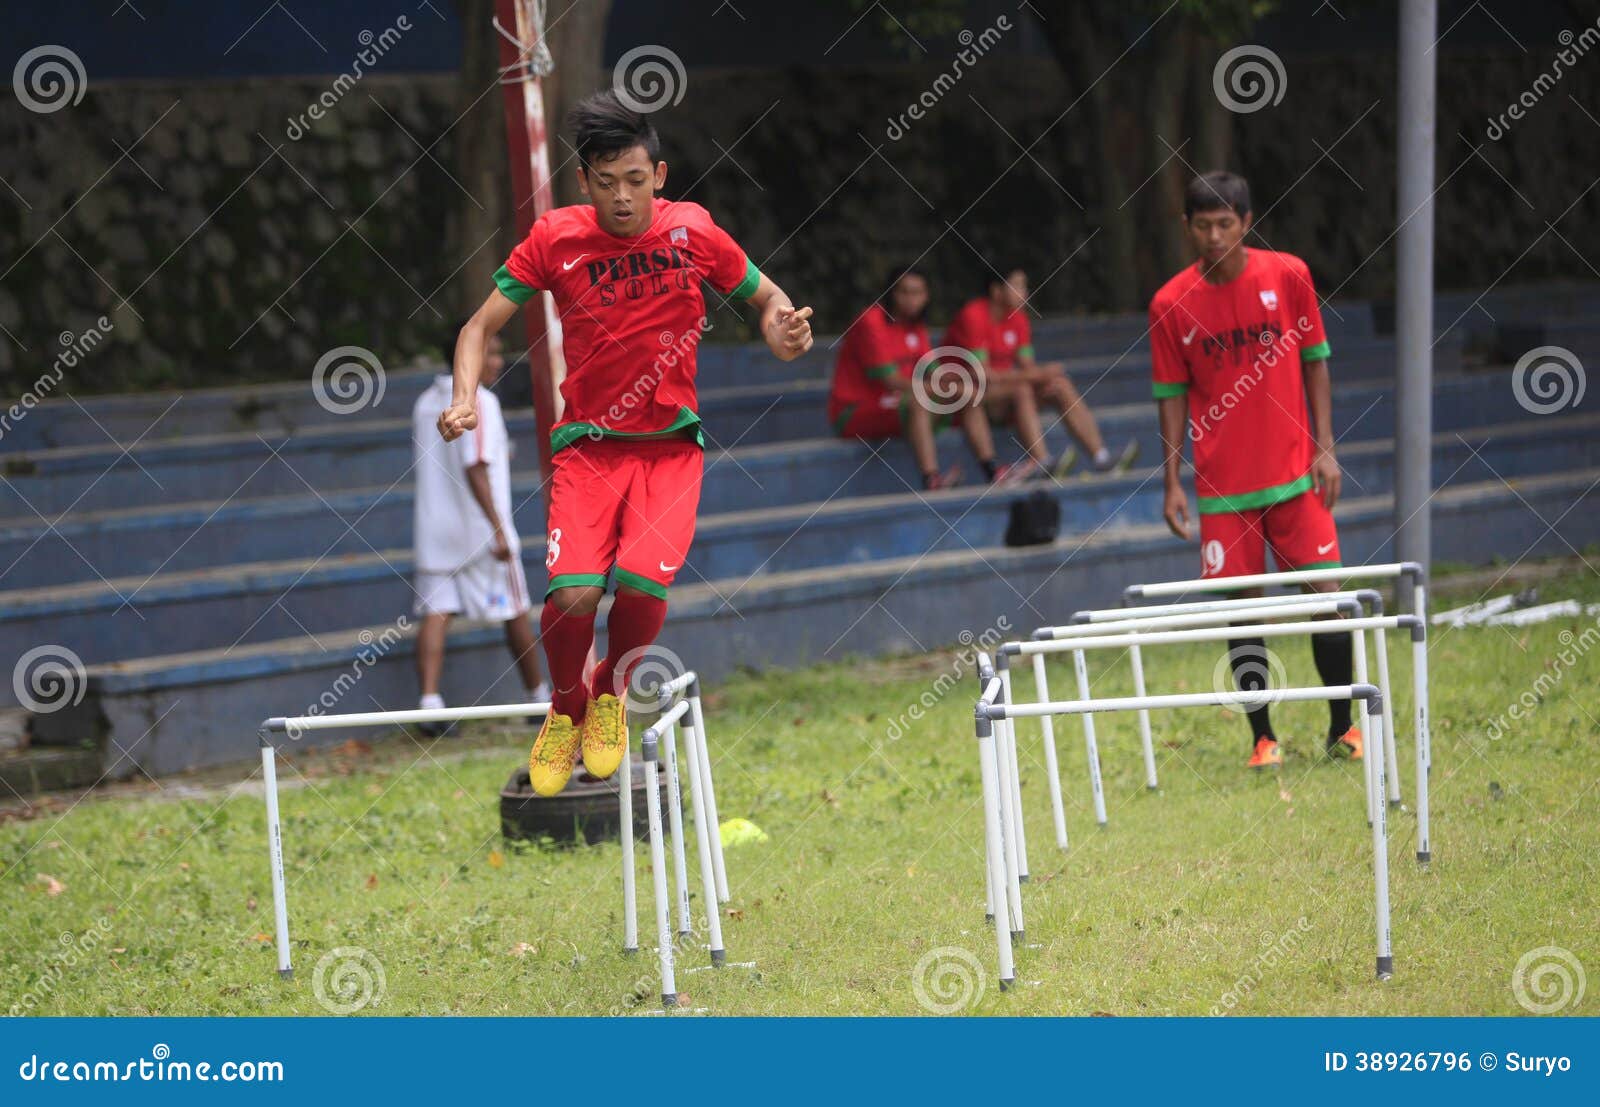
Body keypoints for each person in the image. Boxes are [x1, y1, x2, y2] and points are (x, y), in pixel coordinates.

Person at [438, 91, 813, 796]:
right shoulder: (554, 239)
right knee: (576, 593)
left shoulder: (693, 231)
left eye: (635, 181)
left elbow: (768, 301)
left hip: (669, 448)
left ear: (660, 175)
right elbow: (476, 329)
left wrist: (784, 332)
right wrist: (464, 397)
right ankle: (566, 708)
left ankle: (609, 690)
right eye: (605, 183)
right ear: (584, 183)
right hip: (588, 447)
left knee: (642, 585)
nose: (621, 198)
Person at [1148, 170, 1357, 770]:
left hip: (1295, 473)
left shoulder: (1288, 274)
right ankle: (1262, 739)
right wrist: (1170, 480)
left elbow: (1316, 361)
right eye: (1203, 225)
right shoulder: (1169, 304)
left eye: (1225, 223)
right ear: (1186, 227)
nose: (1214, 236)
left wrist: (1325, 446)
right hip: (1221, 490)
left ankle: (1343, 727)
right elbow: (1170, 394)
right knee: (1242, 611)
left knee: (1328, 597)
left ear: (1246, 222)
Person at [410, 324, 548, 737]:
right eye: (489, 352)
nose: (497, 361)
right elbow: (475, 464)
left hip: (435, 529)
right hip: (479, 531)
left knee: (437, 612)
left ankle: (430, 704)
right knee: (515, 609)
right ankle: (538, 697)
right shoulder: (481, 402)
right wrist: (499, 528)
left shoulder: (423, 402)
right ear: (465, 353)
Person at [828, 263, 1009, 489]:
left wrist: (964, 382)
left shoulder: (916, 325)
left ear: (926, 296)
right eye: (904, 292)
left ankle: (993, 471)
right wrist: (948, 388)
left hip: (898, 404)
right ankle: (931, 479)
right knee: (919, 401)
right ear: (891, 293)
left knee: (967, 396)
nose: (911, 299)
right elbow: (891, 381)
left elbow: (934, 373)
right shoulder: (871, 320)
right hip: (856, 410)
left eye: (917, 293)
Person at [946, 267, 1136, 481]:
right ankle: (1042, 460)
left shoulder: (1019, 318)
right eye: (1017, 286)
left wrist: (1043, 376)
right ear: (996, 291)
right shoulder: (974, 316)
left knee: (1059, 385)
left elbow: (1027, 367)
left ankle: (1101, 457)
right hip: (972, 401)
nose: (1024, 292)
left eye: (1024, 286)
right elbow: (985, 375)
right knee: (1022, 388)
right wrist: (1037, 375)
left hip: (1007, 398)